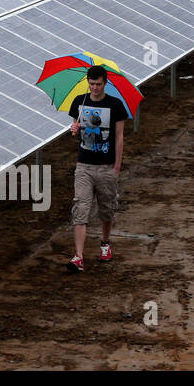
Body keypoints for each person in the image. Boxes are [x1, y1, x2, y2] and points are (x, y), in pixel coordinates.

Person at [65, 64, 128, 271]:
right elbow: (75, 130)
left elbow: (119, 137)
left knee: (106, 209)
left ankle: (105, 243)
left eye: (98, 84)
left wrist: (116, 166)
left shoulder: (115, 105)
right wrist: (73, 128)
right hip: (83, 166)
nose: (94, 88)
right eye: (91, 84)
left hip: (106, 167)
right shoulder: (79, 102)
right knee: (80, 208)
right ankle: (79, 256)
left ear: (105, 83)